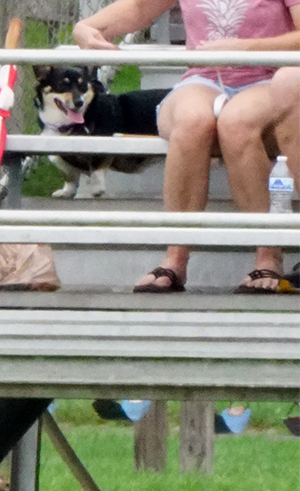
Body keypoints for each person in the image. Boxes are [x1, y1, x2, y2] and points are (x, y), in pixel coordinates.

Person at [74, 0, 300, 292]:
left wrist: (244, 48)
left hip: (270, 78)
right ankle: (175, 260)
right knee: (192, 122)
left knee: (236, 123)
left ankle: (268, 256)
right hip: (203, 78)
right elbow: (139, 8)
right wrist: (87, 27)